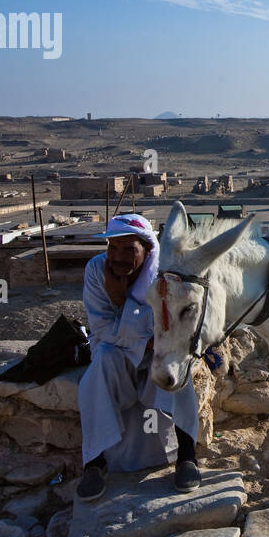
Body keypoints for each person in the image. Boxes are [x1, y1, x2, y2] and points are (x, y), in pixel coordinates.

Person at [76, 213, 201, 501]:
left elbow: (170, 332)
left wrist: (121, 302)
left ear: (147, 250)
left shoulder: (166, 277)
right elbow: (102, 329)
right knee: (101, 364)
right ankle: (94, 464)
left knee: (180, 374)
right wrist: (143, 335)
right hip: (117, 353)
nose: (118, 257)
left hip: (158, 354)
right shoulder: (96, 270)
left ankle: (187, 456)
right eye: (112, 248)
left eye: (128, 250)